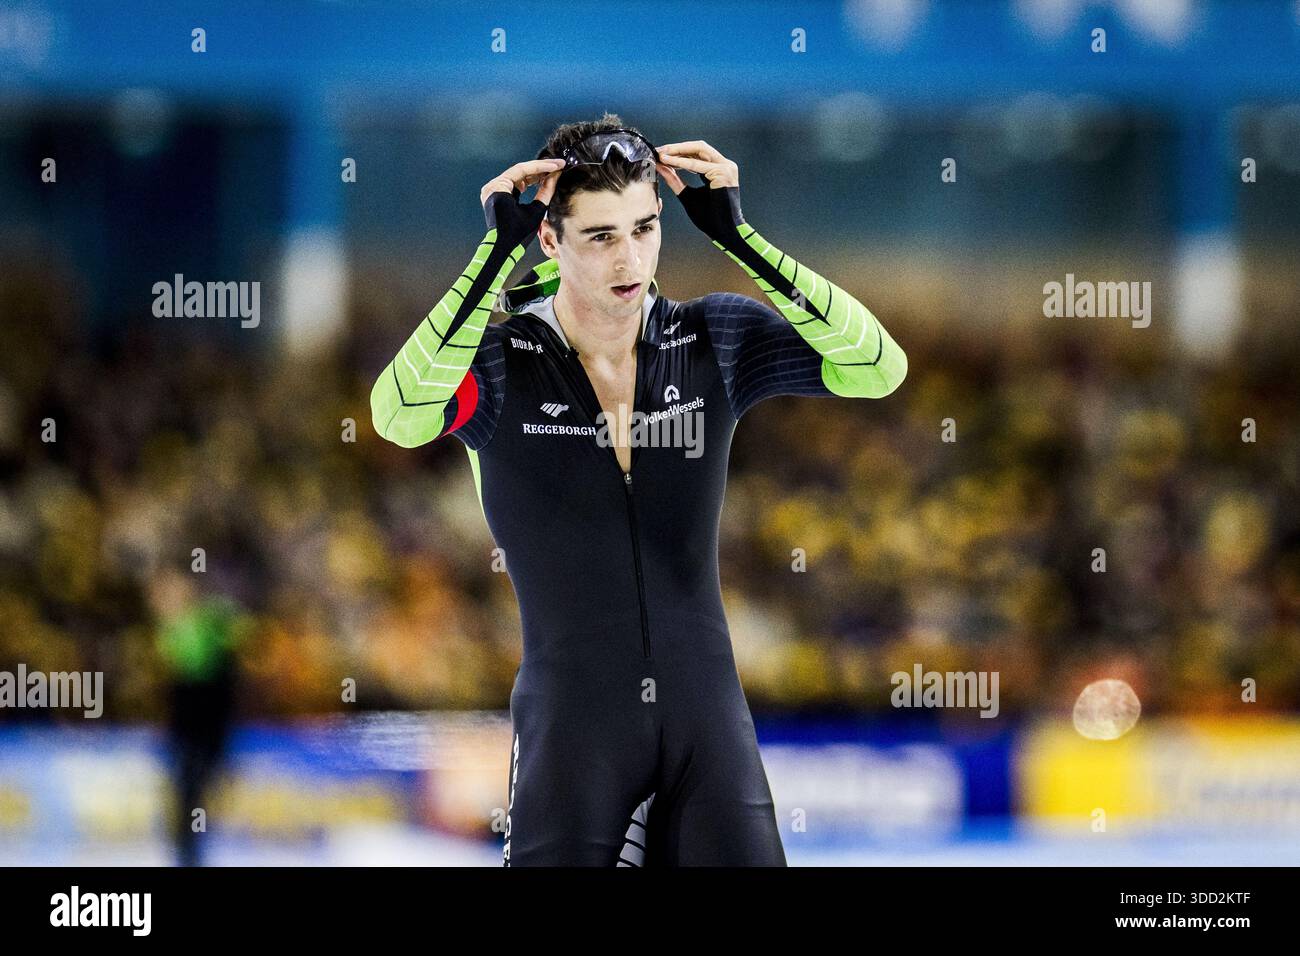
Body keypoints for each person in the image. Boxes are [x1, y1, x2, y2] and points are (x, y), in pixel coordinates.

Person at [370, 113, 907, 866]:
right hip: (573, 730)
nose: (630, 258)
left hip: (706, 719)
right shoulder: (499, 362)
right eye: (600, 236)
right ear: (551, 241)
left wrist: (738, 238)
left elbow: (878, 369)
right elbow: (396, 417)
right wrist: (494, 254)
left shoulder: (712, 338)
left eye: (645, 228)